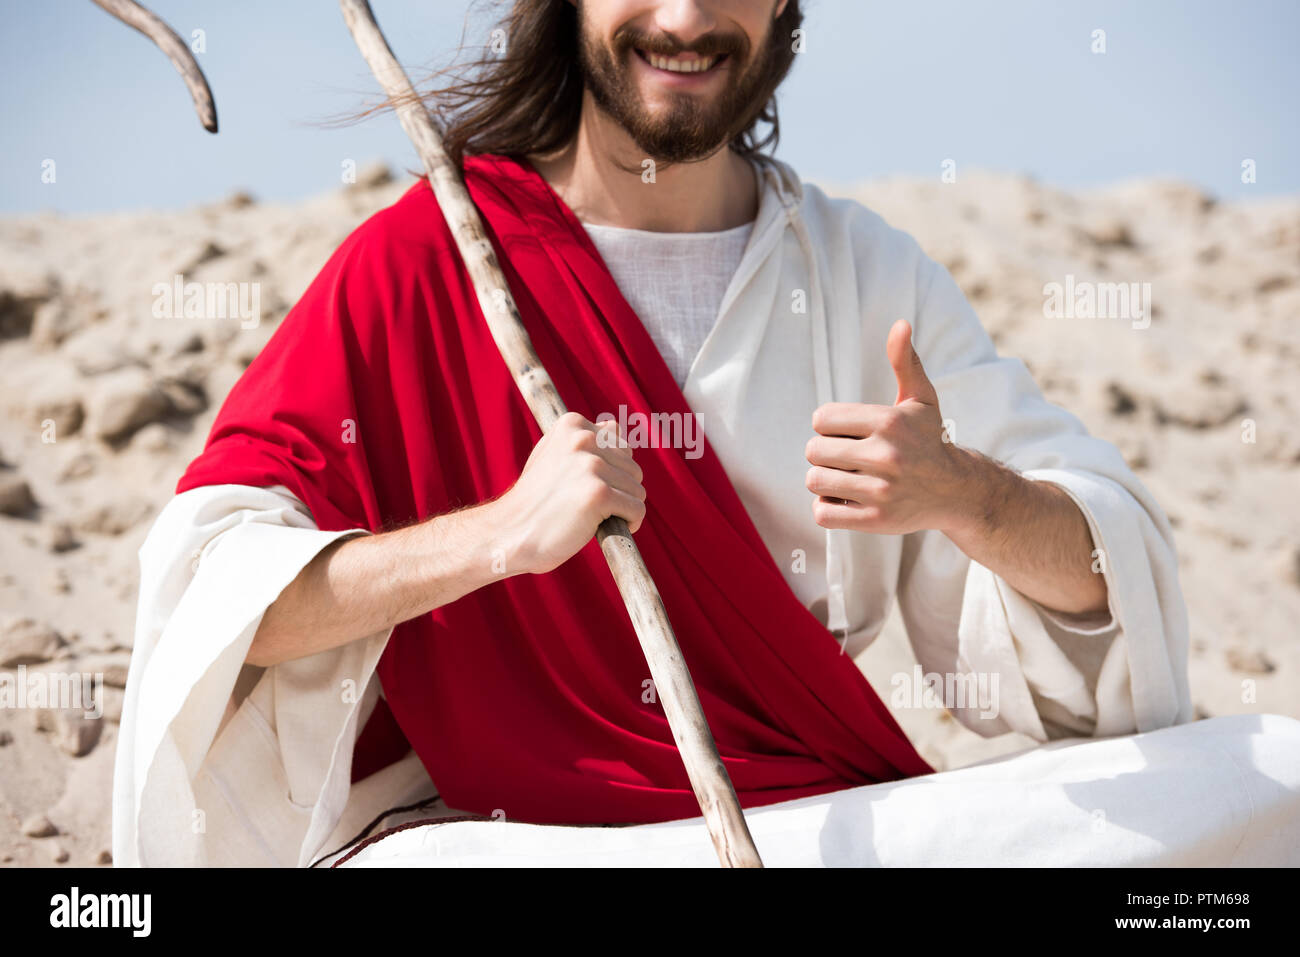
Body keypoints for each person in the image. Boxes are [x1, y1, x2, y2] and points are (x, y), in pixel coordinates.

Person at [113, 0, 1291, 868]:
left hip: (818, 829)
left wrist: (969, 499)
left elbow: (1103, 619)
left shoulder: (857, 269)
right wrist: (493, 540)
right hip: (533, 851)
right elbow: (218, 598)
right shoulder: (425, 261)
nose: (681, 20)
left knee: (1269, 781)